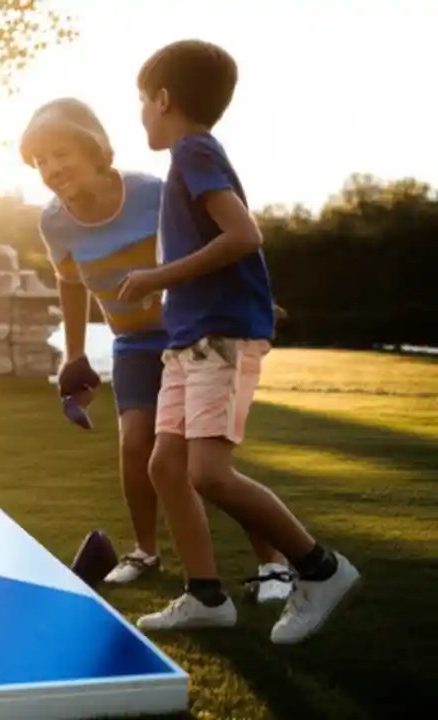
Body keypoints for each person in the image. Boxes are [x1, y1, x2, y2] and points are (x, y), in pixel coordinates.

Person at [118, 39, 360, 643]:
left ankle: (319, 568)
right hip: (193, 339)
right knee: (165, 465)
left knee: (208, 474)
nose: (141, 114)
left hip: (217, 341)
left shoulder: (194, 150)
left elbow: (243, 235)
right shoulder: (190, 158)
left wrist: (156, 278)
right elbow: (231, 251)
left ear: (164, 99)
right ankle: (206, 596)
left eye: (142, 102)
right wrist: (246, 299)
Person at [19, 99, 292, 600]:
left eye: (61, 153)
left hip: (187, 335)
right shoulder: (54, 222)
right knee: (135, 447)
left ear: (93, 148)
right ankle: (145, 550)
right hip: (131, 344)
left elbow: (221, 238)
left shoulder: (151, 193)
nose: (52, 169)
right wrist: (73, 354)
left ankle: (273, 563)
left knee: (204, 461)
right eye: (40, 161)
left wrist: (254, 302)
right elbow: (70, 284)